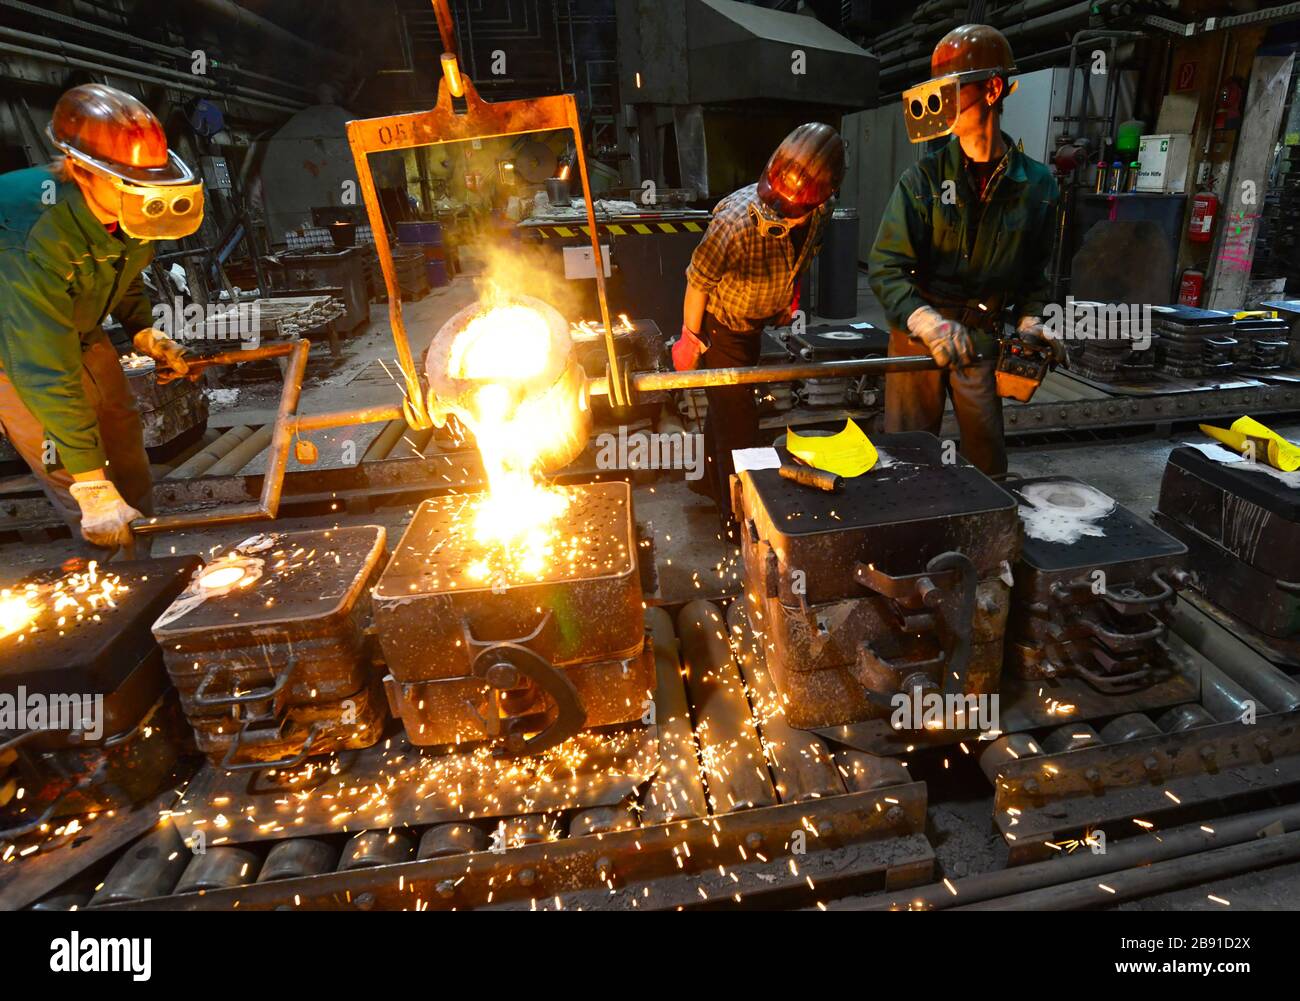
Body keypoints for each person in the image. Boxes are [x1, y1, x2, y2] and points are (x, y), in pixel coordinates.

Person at [0, 84, 202, 550]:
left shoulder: (124, 206)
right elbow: (43, 370)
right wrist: (93, 487)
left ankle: (145, 560)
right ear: (78, 169)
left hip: (77, 328)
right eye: (128, 183)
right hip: (17, 349)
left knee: (124, 441)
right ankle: (112, 586)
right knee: (75, 467)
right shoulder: (32, 232)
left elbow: (123, 266)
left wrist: (143, 330)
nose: (142, 195)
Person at [869, 24, 1062, 477]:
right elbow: (886, 267)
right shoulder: (923, 181)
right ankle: (909, 531)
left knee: (987, 460)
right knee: (907, 456)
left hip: (980, 335)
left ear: (992, 89)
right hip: (918, 336)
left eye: (952, 91)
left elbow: (1035, 273)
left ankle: (986, 538)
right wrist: (926, 321)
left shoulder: (1038, 186)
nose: (942, 107)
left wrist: (1032, 319)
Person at [675, 122, 846, 510]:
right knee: (741, 432)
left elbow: (802, 258)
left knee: (726, 410)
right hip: (720, 329)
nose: (777, 211)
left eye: (790, 209)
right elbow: (698, 281)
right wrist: (688, 339)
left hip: (753, 327)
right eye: (776, 201)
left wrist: (791, 299)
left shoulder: (822, 213)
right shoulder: (734, 221)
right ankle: (739, 522)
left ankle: (705, 481)